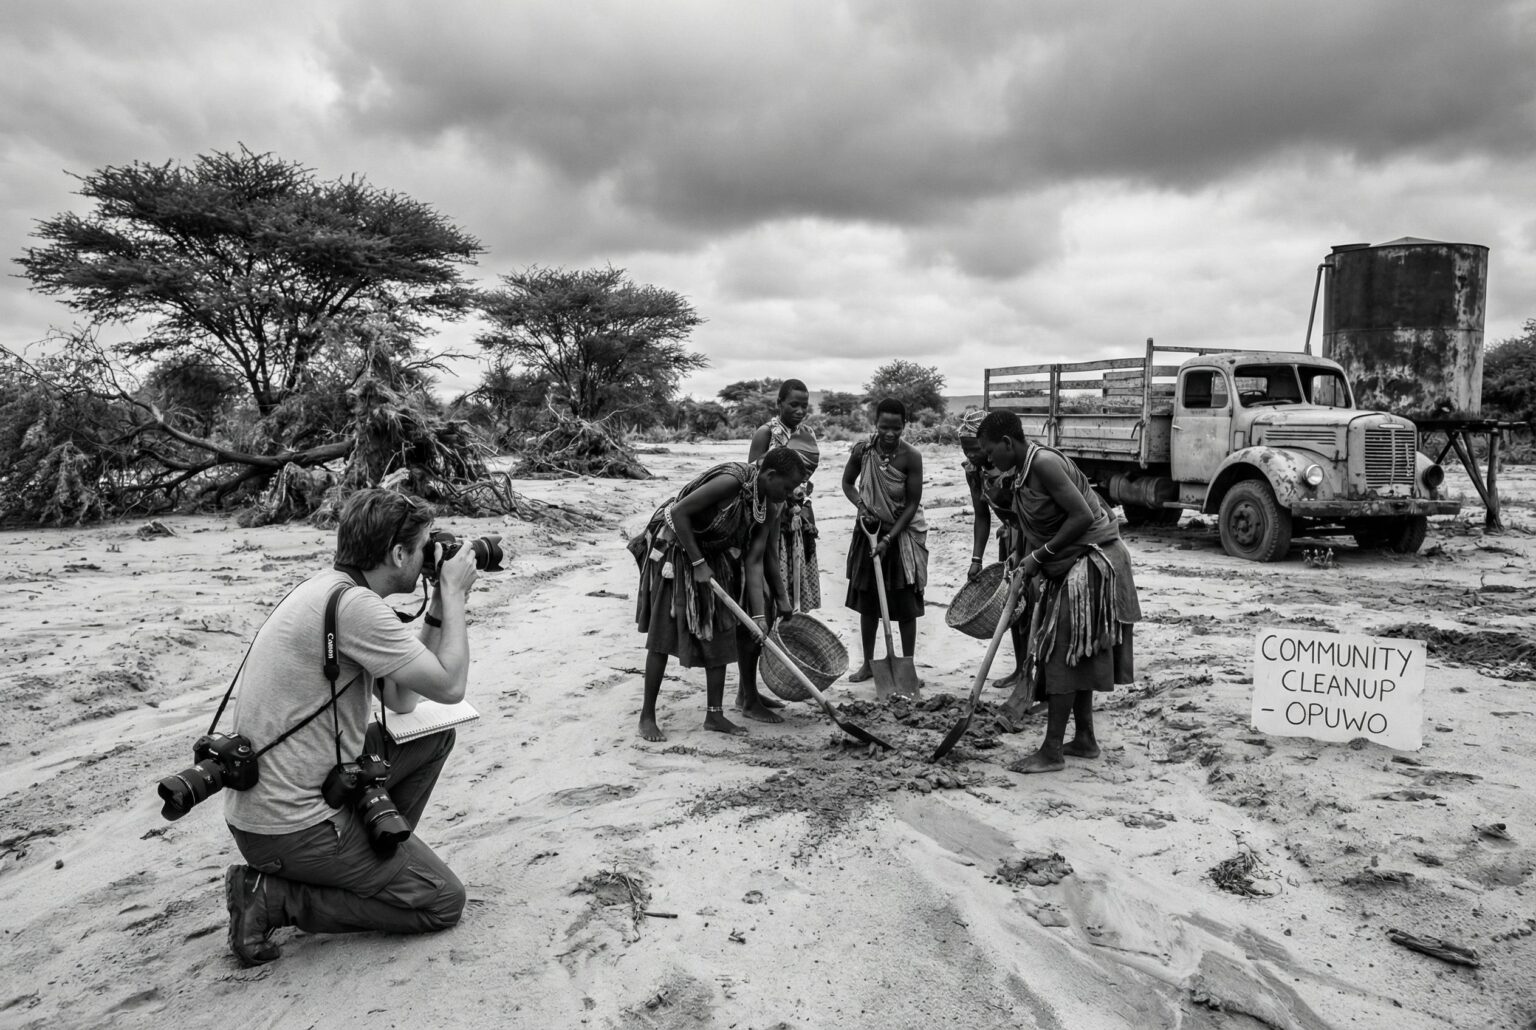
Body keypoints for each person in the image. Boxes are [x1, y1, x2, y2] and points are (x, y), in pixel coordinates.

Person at [222, 488, 479, 966]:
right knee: (443, 901)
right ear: (398, 554)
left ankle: (374, 856)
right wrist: (454, 594)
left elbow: (403, 699)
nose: (429, 556)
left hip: (271, 807)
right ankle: (274, 898)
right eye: (424, 546)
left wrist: (439, 609)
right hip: (292, 828)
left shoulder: (333, 589)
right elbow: (451, 686)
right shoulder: (358, 609)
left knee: (433, 735)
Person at [975, 410, 1141, 773]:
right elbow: (1035, 524)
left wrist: (1040, 557)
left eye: (990, 451)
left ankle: (1051, 751)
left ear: (1007, 443)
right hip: (1067, 563)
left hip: (1093, 561)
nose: (988, 459)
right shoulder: (1019, 473)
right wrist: (1023, 561)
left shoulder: (1045, 463)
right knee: (1071, 654)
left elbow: (1081, 516)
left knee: (1059, 654)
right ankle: (1084, 739)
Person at [630, 447, 808, 740]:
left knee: (723, 630)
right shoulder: (732, 481)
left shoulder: (772, 506)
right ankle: (647, 715)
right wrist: (698, 563)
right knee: (662, 636)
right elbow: (679, 511)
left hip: (715, 554)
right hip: (677, 546)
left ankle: (715, 714)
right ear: (770, 475)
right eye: (787, 487)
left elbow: (754, 560)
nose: (789, 494)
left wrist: (759, 615)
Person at [736, 379, 822, 721]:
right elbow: (756, 481)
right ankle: (747, 694)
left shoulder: (810, 435)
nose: (799, 410)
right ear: (779, 403)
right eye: (793, 405)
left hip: (795, 525)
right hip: (767, 523)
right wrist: (776, 509)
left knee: (776, 606)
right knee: (763, 603)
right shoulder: (764, 434)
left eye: (804, 405)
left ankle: (748, 691)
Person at [842, 397, 928, 684]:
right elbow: (848, 484)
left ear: (905, 425)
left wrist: (889, 538)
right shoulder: (862, 451)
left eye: (896, 428)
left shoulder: (911, 456)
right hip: (868, 532)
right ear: (875, 424)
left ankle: (908, 667)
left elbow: (913, 504)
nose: (890, 434)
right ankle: (868, 664)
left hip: (901, 536)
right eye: (884, 427)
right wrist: (863, 508)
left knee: (905, 606)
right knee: (868, 602)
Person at [957, 408, 1025, 690]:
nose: (971, 455)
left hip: (1031, 541)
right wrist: (976, 559)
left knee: (1031, 607)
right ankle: (1021, 669)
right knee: (1011, 611)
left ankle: (1036, 676)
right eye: (965, 450)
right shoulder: (974, 470)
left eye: (975, 449)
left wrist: (1021, 546)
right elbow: (982, 516)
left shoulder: (1014, 465)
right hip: (1008, 541)